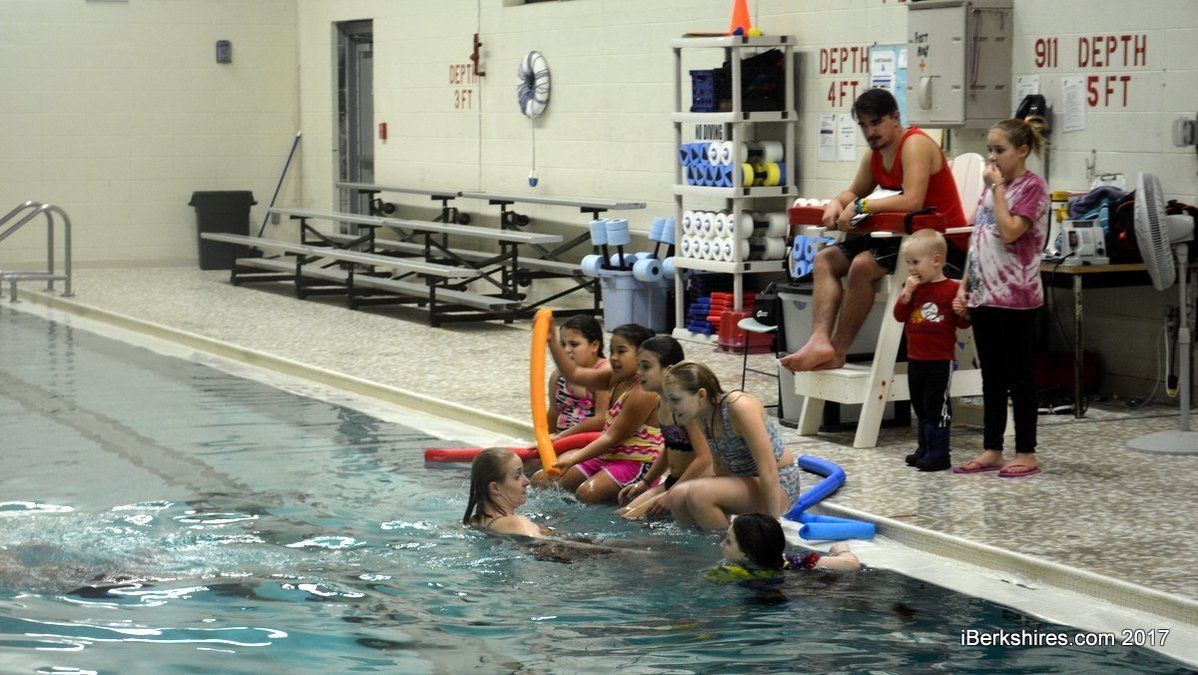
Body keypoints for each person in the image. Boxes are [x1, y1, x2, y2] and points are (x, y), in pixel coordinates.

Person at [781, 88, 967, 373]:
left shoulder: (915, 144)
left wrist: (862, 206)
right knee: (824, 260)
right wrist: (837, 202)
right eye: (864, 125)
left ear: (895, 117)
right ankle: (819, 341)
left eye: (876, 122)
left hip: (942, 248)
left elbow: (913, 200)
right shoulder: (875, 155)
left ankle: (839, 350)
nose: (870, 132)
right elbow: (854, 191)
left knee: (862, 266)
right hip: (904, 239)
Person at [952, 119, 1048, 478]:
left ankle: (1026, 451)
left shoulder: (1032, 188)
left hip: (1017, 296)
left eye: (1000, 150)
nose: (992, 157)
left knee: (1018, 374)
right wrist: (964, 284)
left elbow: (1009, 233)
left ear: (1022, 151)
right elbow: (978, 238)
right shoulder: (993, 187)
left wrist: (996, 190)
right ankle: (992, 448)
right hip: (984, 293)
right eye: (989, 149)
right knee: (990, 376)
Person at [530, 323, 662, 504]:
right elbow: (574, 373)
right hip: (607, 457)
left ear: (642, 356)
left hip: (637, 463)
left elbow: (611, 436)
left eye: (621, 351)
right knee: (541, 480)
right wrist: (551, 340)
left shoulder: (644, 391)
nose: (614, 358)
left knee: (587, 493)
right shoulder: (614, 378)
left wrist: (572, 459)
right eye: (612, 351)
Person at [663, 361, 801, 529]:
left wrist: (771, 527)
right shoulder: (703, 415)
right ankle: (700, 551)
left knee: (700, 494)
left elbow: (768, 468)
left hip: (779, 484)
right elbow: (721, 470)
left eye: (675, 400)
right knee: (677, 496)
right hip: (745, 483)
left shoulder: (739, 406)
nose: (670, 408)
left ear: (701, 395)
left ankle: (724, 549)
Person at [892, 229, 971, 472]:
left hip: (939, 360)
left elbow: (963, 323)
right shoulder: (913, 289)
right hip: (916, 358)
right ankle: (924, 448)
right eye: (908, 263)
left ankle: (939, 453)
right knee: (919, 404)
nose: (911, 269)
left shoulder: (950, 289)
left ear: (936, 261)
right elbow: (899, 316)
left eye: (915, 262)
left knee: (937, 406)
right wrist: (905, 296)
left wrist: (963, 311)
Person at [615, 336, 713, 519]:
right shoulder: (661, 404)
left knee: (631, 520)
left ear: (669, 371)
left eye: (646, 367)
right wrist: (645, 482)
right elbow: (670, 449)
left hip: (696, 484)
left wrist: (671, 495)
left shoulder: (686, 407)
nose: (639, 373)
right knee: (623, 516)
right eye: (638, 366)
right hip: (674, 482)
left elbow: (705, 458)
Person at [704, 513, 861, 583]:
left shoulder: (726, 572)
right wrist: (842, 549)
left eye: (728, 541)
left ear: (748, 556)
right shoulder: (793, 562)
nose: (721, 544)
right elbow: (851, 564)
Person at [546, 314, 609, 440]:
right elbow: (553, 413)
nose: (566, 350)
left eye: (574, 344)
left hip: (591, 444)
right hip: (561, 440)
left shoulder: (604, 373)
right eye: (562, 345)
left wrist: (561, 437)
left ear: (594, 345)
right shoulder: (558, 375)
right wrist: (545, 442)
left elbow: (601, 420)